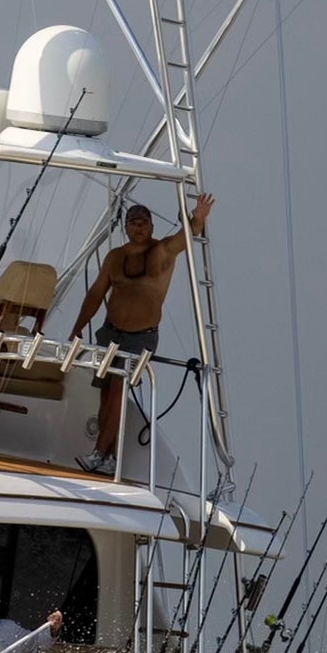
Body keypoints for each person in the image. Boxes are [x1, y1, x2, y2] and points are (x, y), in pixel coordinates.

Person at [69, 192, 213, 473]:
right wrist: (77, 328)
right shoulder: (115, 257)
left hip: (141, 337)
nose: (138, 227)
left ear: (151, 227)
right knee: (106, 392)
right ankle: (108, 457)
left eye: (143, 222)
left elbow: (188, 235)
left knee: (118, 391)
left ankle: (99, 453)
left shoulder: (162, 251)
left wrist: (198, 217)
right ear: (126, 227)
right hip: (110, 333)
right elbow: (97, 293)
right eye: (133, 222)